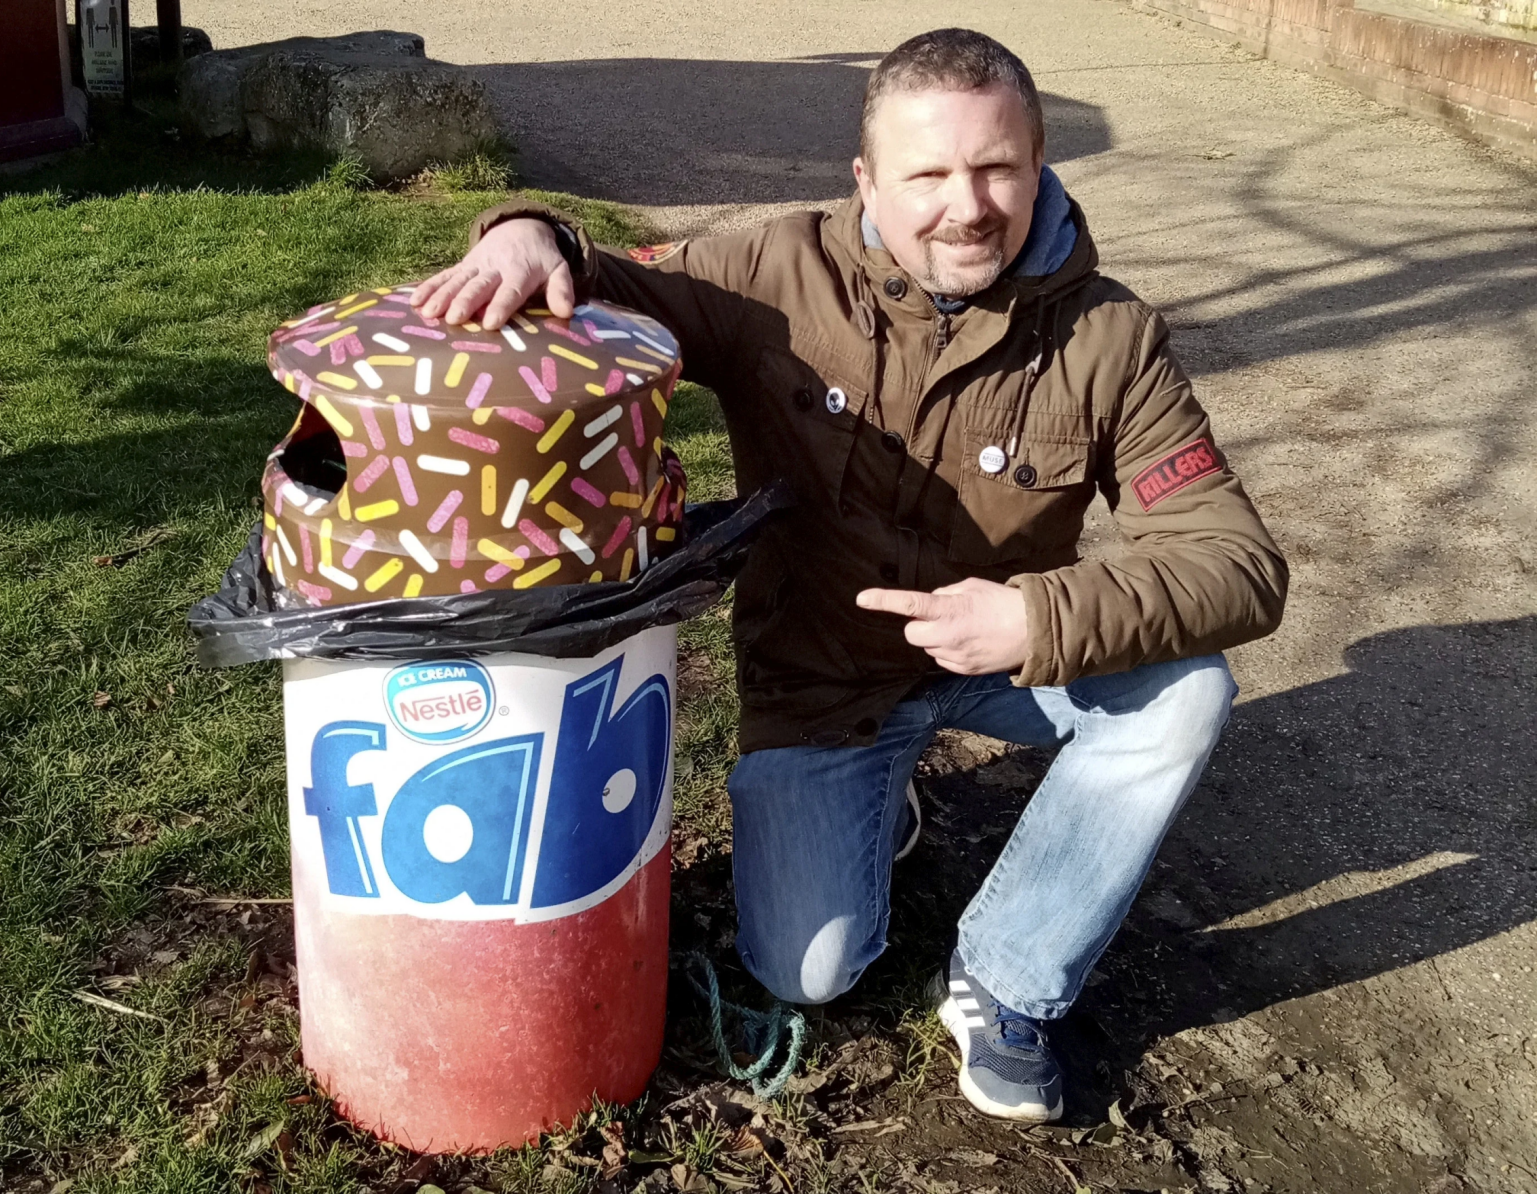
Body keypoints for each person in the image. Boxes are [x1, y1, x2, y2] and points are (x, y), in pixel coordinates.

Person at [411, 28, 1287, 1123]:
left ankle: (1009, 984)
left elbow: (1239, 563)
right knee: (806, 974)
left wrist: (1037, 613)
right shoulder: (769, 273)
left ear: (1037, 161)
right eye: (927, 174)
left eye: (995, 168)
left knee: (1184, 692)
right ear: (866, 180)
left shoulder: (1110, 336)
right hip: (820, 685)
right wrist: (530, 230)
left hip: (1004, 659)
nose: (965, 206)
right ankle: (884, 803)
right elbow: (599, 285)